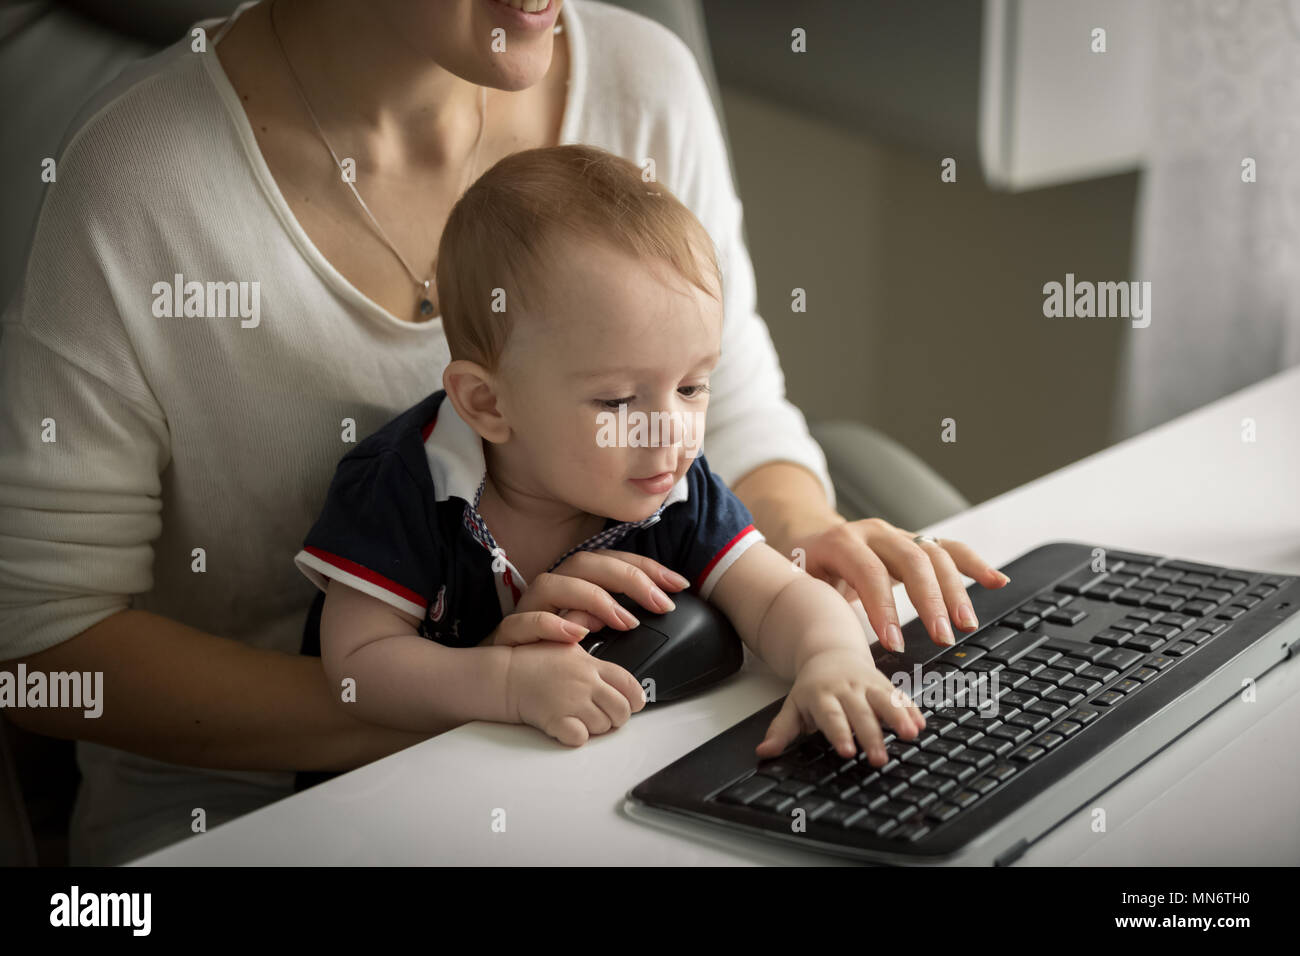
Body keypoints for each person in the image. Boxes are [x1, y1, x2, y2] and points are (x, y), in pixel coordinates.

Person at [0, 0, 1005, 865]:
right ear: (478, 400)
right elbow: (35, 644)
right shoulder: (138, 181)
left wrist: (802, 557)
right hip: (268, 805)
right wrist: (485, 686)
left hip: (621, 730)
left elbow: (733, 422)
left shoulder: (644, 80)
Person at [293, 144, 938, 781]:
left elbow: (778, 597)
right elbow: (357, 665)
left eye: (692, 387)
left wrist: (832, 658)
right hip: (394, 798)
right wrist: (508, 682)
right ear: (488, 403)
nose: (670, 432)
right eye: (617, 400)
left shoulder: (677, 490)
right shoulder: (406, 483)